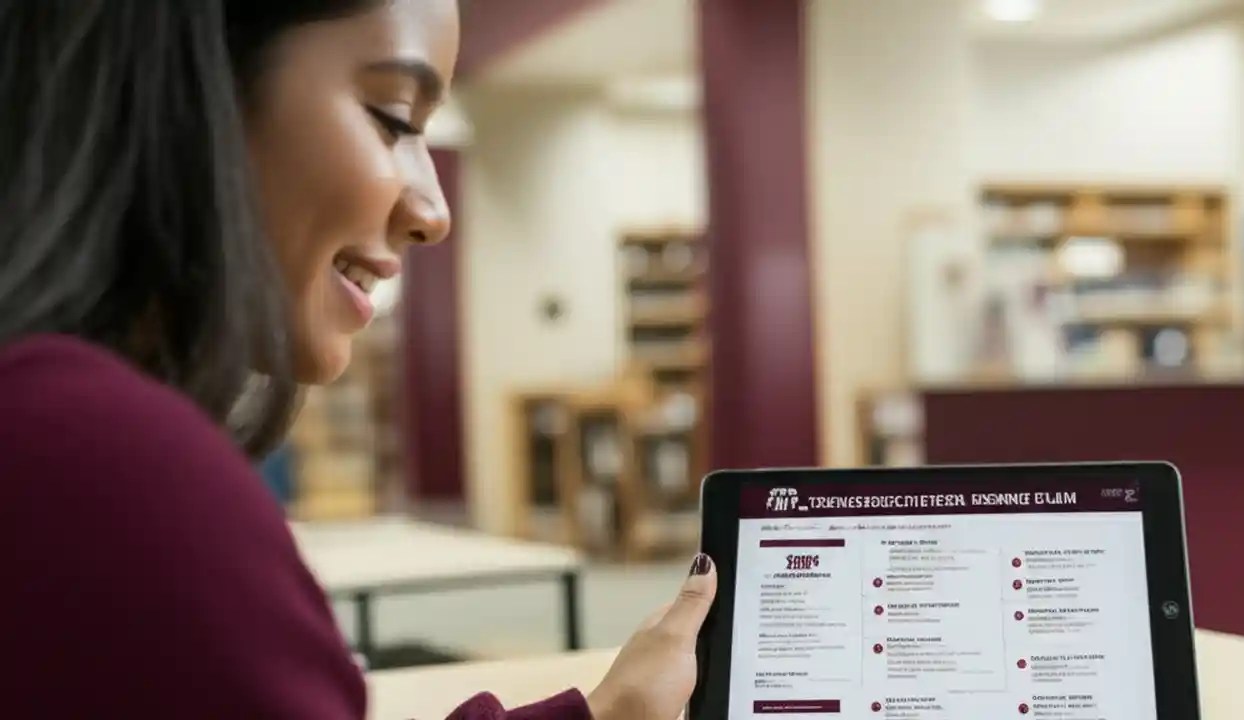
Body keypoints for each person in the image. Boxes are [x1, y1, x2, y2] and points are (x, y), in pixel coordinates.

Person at [0, 1, 716, 718]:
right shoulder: (115, 468)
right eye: (395, 118)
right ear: (187, 90)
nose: (434, 211)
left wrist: (608, 711)